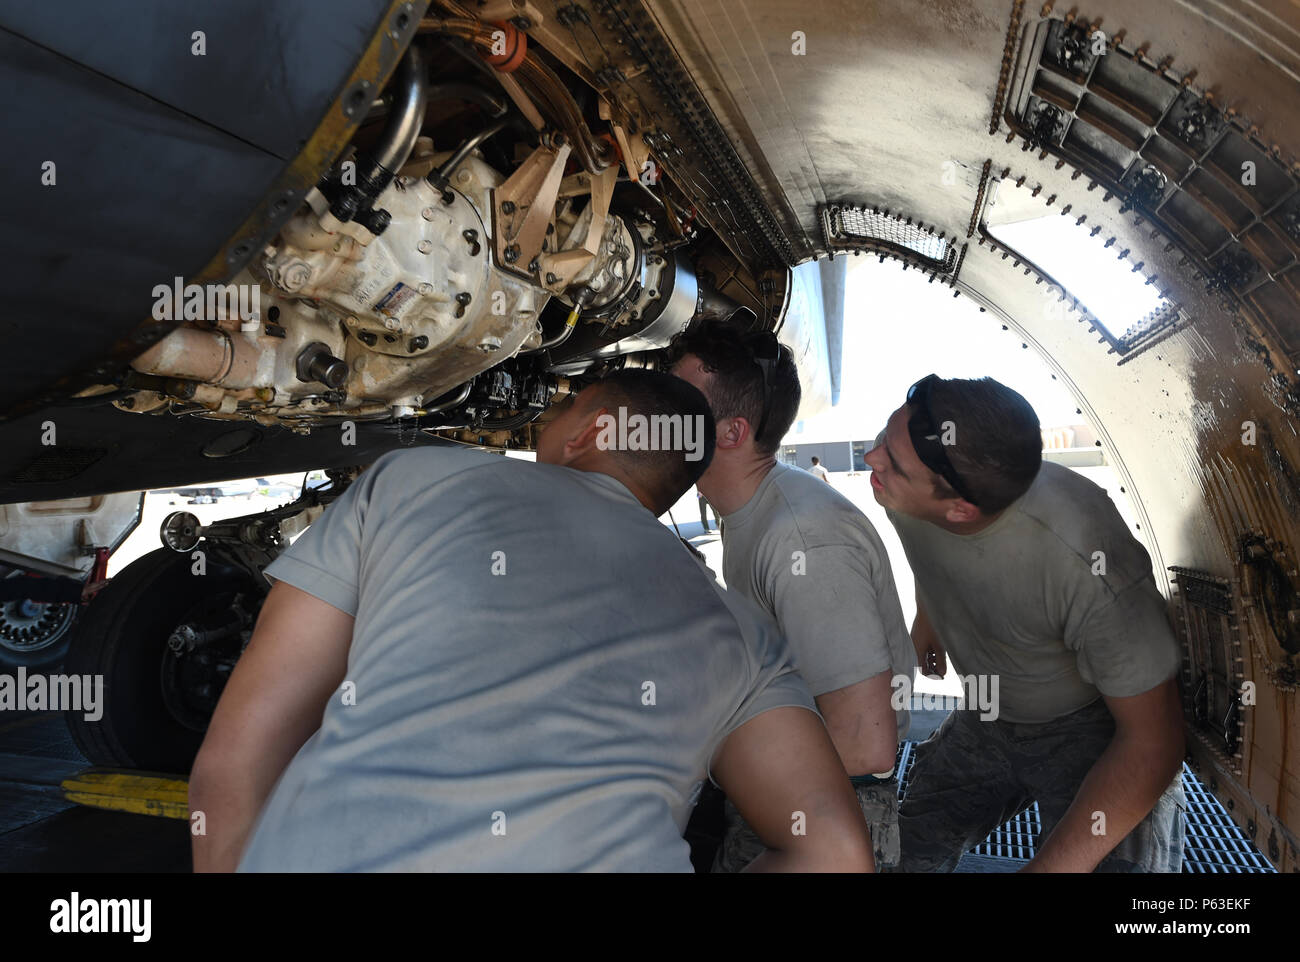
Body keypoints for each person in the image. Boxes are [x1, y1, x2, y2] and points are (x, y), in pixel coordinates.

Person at [189, 370, 874, 873]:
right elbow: (837, 852)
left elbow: (238, 759)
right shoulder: (741, 629)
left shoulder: (409, 483)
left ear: (592, 431)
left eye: (564, 407)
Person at [865, 374, 1185, 872]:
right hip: (990, 711)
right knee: (900, 854)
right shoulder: (904, 489)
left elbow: (1154, 743)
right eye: (884, 438)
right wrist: (927, 615)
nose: (871, 459)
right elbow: (939, 548)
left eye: (891, 460)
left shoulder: (1086, 562)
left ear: (960, 509)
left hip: (1094, 730)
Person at [667, 319, 917, 871]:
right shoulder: (752, 509)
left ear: (730, 433)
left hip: (831, 804)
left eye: (677, 405)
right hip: (793, 779)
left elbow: (864, 744)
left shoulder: (805, 538)